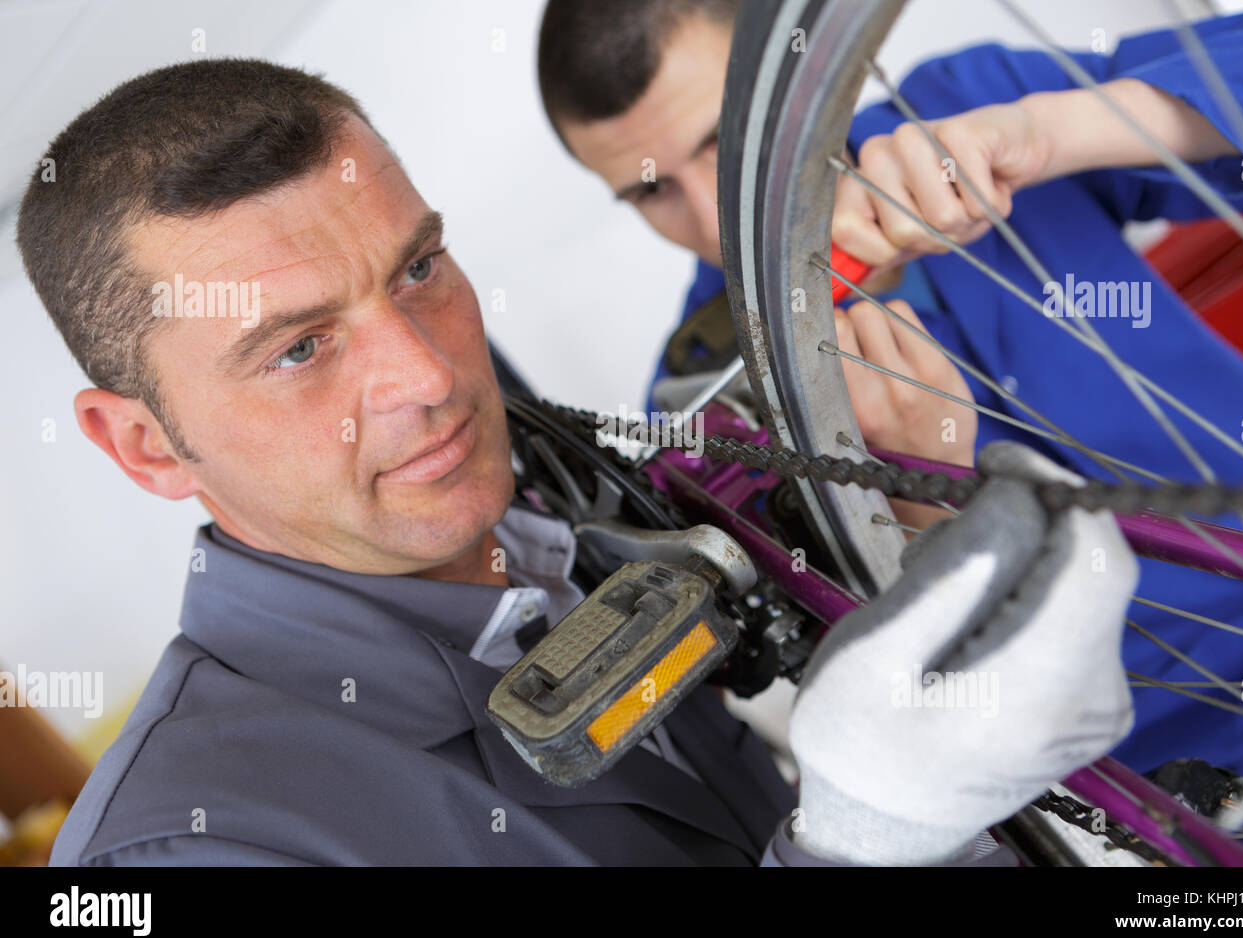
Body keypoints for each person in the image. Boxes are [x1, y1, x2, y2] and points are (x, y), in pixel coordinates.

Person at [22, 58, 1136, 866]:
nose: (425, 373)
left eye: (418, 270)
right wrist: (868, 838)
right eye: (300, 347)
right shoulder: (190, 849)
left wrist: (901, 535)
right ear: (145, 442)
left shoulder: (554, 547)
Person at [538, 0, 1243, 781]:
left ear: (799, 77)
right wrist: (919, 499)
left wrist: (1049, 134)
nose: (714, 215)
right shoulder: (698, 411)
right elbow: (926, 712)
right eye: (652, 190)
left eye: (724, 142)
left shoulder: (958, 109)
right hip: (1155, 780)